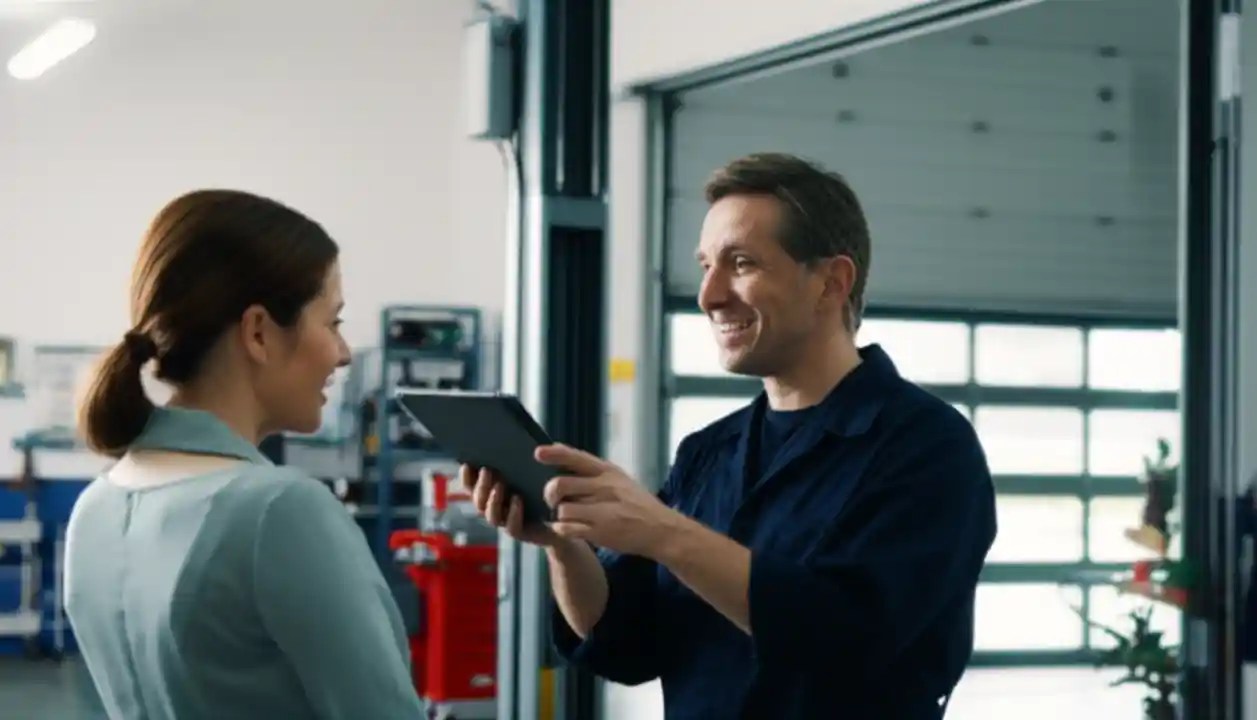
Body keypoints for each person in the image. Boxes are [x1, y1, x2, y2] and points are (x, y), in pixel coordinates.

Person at [464, 153, 998, 719]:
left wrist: (665, 532)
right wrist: (564, 541)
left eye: (741, 263)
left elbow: (849, 639)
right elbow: (625, 644)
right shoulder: (709, 452)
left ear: (831, 282)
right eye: (705, 265)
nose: (709, 295)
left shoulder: (927, 447)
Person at [63, 190, 423, 719]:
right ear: (258, 332)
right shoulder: (281, 511)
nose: (343, 353)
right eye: (333, 322)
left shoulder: (94, 509)